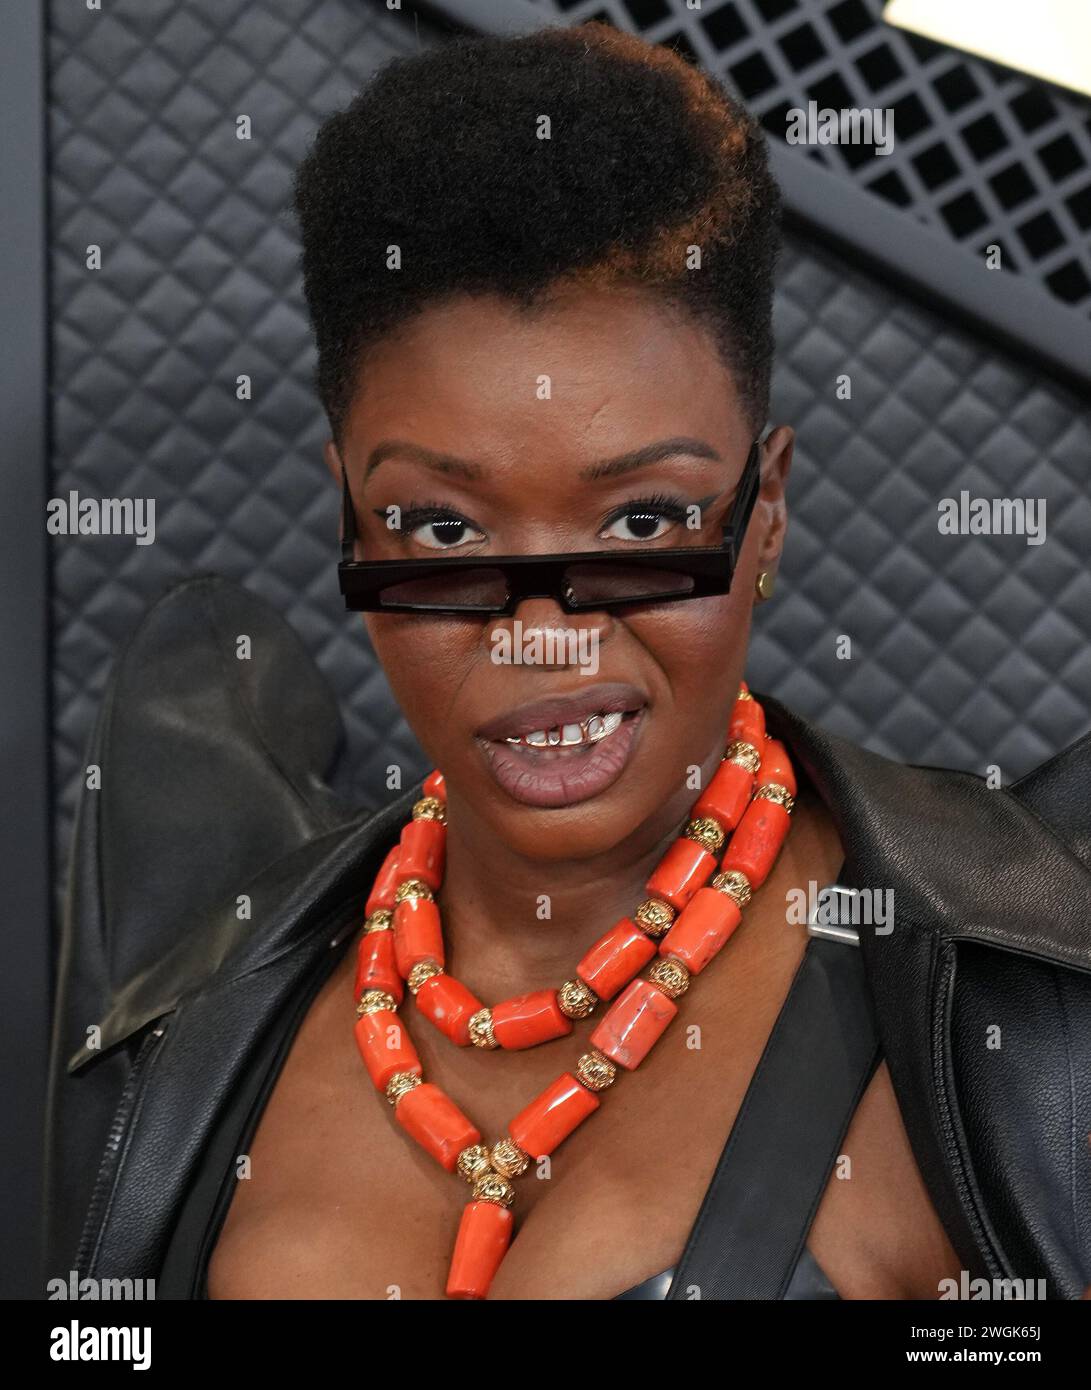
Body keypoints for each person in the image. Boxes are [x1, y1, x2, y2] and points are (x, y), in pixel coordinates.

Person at [43, 22, 1091, 1302]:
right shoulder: (205, 1001)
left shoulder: (1012, 1013)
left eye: (642, 522)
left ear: (764, 513)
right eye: (442, 529)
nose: (542, 630)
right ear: (348, 523)